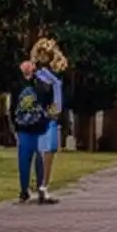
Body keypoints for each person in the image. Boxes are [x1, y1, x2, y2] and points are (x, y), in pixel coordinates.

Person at [31, 38, 67, 204]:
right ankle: (40, 185)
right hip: (42, 118)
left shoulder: (54, 76)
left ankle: (44, 185)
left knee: (50, 151)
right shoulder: (37, 77)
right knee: (42, 151)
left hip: (52, 118)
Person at [11, 60, 52, 203]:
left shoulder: (40, 84)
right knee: (24, 160)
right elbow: (13, 106)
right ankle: (24, 190)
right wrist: (14, 125)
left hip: (39, 128)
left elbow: (48, 99)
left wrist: (48, 119)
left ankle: (41, 189)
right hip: (23, 128)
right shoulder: (16, 85)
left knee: (40, 159)